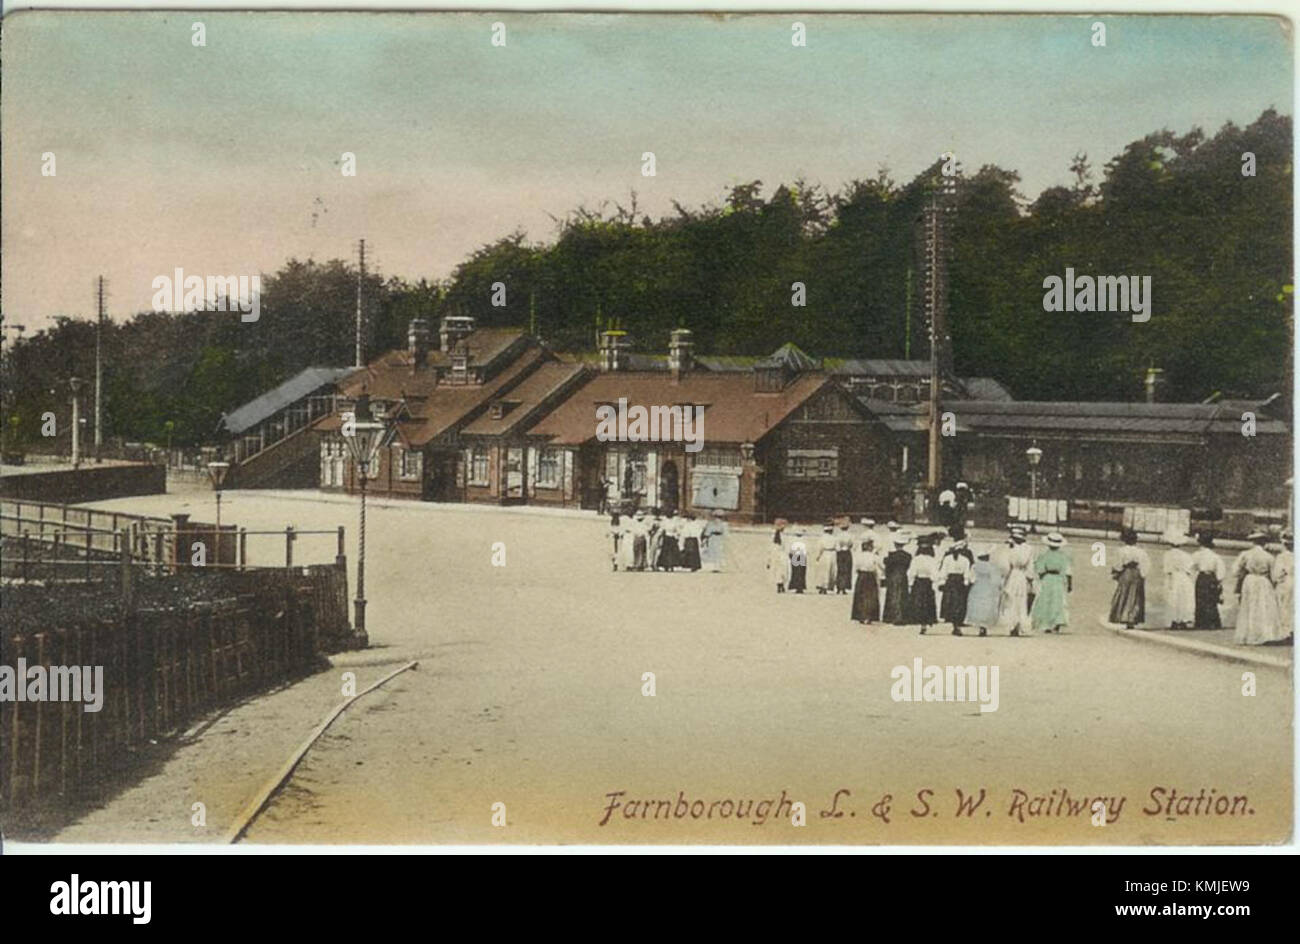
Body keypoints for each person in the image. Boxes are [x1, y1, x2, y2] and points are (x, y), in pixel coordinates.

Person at [1233, 531, 1283, 645]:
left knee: (1248, 606)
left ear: (1253, 542)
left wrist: (1243, 573)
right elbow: (1274, 576)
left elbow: (1235, 571)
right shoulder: (1269, 557)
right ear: (1264, 543)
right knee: (1262, 607)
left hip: (1249, 580)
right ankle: (1262, 634)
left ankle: (1248, 634)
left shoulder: (1245, 554)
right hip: (1263, 581)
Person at [1030, 531, 1072, 634]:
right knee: (1058, 600)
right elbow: (1068, 572)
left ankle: (1046, 624)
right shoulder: (1064, 556)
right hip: (1058, 579)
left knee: (1046, 600)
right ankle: (1056, 622)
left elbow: (1039, 569)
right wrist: (1070, 584)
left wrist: (1041, 576)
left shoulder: (1044, 555)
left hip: (1047, 578)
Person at [1108, 528, 1150, 628]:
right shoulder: (1141, 551)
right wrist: (1143, 574)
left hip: (1126, 572)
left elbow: (1118, 564)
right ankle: (1132, 618)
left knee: (1124, 594)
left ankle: (1123, 616)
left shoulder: (1121, 551)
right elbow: (1146, 564)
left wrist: (1116, 572)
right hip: (1137, 573)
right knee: (1135, 596)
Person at [998, 525, 1035, 636]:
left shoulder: (1010, 549)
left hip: (1013, 575)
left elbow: (1005, 565)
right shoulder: (1028, 549)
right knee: (1021, 601)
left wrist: (1003, 578)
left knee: (1011, 600)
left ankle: (1012, 624)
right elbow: (1030, 567)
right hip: (1022, 577)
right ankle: (1019, 624)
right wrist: (1030, 580)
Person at [939, 534, 975, 635]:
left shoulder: (962, 560)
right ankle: (956, 624)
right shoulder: (952, 559)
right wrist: (942, 581)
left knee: (956, 603)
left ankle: (956, 624)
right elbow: (944, 571)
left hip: (956, 582)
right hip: (954, 582)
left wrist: (966, 582)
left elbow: (966, 572)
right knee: (954, 603)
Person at [1161, 531, 1196, 630]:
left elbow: (1167, 569)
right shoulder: (1186, 555)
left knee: (1173, 598)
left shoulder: (1168, 554)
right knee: (1184, 598)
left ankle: (1174, 620)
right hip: (1184, 577)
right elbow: (1190, 569)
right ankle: (1183, 620)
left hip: (1174, 576)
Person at [1191, 531, 1225, 629]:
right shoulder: (1215, 556)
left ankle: (1201, 622)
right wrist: (1219, 581)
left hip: (1202, 577)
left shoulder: (1197, 555)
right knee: (1211, 600)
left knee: (1200, 599)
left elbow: (1191, 566)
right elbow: (1220, 570)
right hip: (1211, 577)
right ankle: (1212, 622)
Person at [965, 546, 1001, 637]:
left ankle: (980, 626)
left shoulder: (975, 566)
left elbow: (971, 578)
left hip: (977, 586)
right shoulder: (991, 566)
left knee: (977, 605)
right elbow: (995, 579)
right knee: (986, 605)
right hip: (988, 587)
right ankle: (984, 627)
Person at [907, 537, 939, 634]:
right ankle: (925, 623)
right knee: (927, 602)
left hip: (918, 582)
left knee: (918, 602)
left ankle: (920, 622)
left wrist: (910, 583)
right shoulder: (932, 560)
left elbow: (911, 572)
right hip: (927, 582)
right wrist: (934, 582)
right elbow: (935, 574)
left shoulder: (916, 559)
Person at [850, 537, 884, 624]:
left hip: (861, 576)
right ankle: (869, 616)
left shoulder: (859, 556)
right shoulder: (874, 556)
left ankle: (860, 615)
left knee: (861, 596)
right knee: (871, 597)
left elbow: (855, 567)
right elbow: (882, 567)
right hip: (870, 576)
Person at [882, 534, 912, 624]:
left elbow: (887, 567)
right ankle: (903, 616)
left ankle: (891, 616)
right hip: (903, 576)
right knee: (903, 595)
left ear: (895, 544)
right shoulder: (908, 556)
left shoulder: (891, 556)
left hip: (893, 576)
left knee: (892, 595)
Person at [1272, 531, 1293, 641]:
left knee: (1284, 607)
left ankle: (1286, 632)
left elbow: (1277, 573)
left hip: (1286, 583)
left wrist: (1276, 581)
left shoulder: (1282, 556)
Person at [767, 519, 790, 592]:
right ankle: (782, 585)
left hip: (775, 555)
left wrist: (769, 560)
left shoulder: (773, 536)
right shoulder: (784, 536)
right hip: (782, 554)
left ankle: (778, 585)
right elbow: (787, 547)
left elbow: (770, 549)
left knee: (777, 570)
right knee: (783, 571)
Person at [815, 523, 838, 594]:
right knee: (831, 570)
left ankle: (822, 586)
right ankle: (828, 586)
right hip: (832, 554)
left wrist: (817, 556)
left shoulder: (822, 538)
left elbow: (819, 548)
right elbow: (838, 547)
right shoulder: (834, 538)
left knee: (823, 570)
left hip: (825, 553)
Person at [835, 522, 855, 595]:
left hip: (840, 553)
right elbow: (852, 544)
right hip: (847, 552)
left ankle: (838, 587)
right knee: (846, 570)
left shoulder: (838, 536)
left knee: (840, 569)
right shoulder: (850, 536)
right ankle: (844, 587)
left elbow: (836, 545)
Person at [788, 528, 809, 593]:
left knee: (795, 572)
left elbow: (791, 551)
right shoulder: (804, 542)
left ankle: (795, 586)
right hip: (802, 557)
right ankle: (801, 587)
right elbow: (805, 552)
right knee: (801, 572)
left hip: (795, 556)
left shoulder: (793, 541)